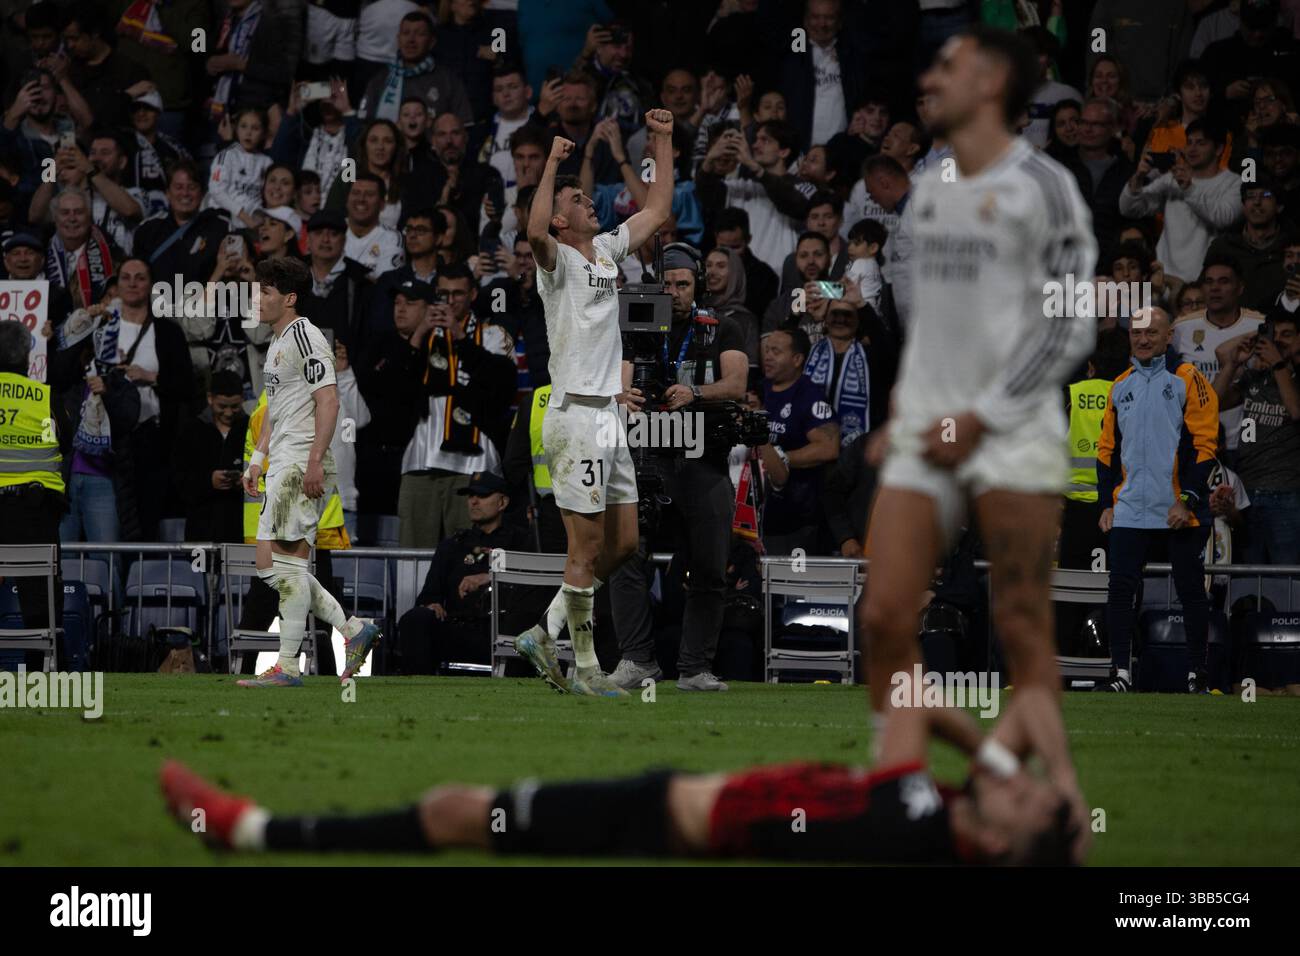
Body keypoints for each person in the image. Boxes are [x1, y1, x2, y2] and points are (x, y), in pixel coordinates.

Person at [859, 27, 1095, 863]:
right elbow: (935, 324)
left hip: (1015, 428)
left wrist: (982, 418)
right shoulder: (929, 189)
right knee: (884, 615)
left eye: (949, 67)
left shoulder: (1046, 186)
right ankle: (944, 776)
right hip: (930, 425)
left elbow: (1067, 324)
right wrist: (907, 406)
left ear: (992, 82)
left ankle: (1063, 799)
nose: (930, 78)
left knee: (1023, 627)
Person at [159, 686, 1083, 866]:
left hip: (656, 816)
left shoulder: (915, 818)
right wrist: (1030, 779)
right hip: (673, 809)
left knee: (451, 812)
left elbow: (916, 696)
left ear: (1001, 841)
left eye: (1020, 797)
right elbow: (1034, 705)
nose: (1014, 779)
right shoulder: (949, 822)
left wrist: (1022, 767)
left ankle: (250, 831)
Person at [511, 108, 677, 698]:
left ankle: (545, 630)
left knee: (624, 544)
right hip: (576, 416)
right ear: (561, 217)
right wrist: (552, 164)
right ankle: (585, 670)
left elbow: (658, 211)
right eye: (577, 199)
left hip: (608, 418)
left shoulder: (606, 250)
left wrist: (663, 140)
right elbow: (534, 232)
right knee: (583, 549)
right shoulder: (556, 262)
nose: (589, 203)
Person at [609, 243, 749, 692]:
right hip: (647, 454)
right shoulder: (637, 325)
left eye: (683, 284)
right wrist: (622, 396)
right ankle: (637, 660)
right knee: (625, 557)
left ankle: (694, 669)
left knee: (709, 566)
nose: (674, 292)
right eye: (667, 284)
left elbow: (738, 383)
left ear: (698, 285)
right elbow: (618, 382)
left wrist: (696, 393)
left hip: (703, 458)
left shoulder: (722, 327)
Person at [237, 257, 381, 688]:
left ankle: (288, 665)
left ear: (289, 298)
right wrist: (257, 459)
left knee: (282, 566)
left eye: (265, 291)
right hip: (282, 460)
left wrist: (316, 459)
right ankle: (353, 629)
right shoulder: (278, 341)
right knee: (274, 566)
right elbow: (275, 410)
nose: (257, 298)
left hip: (300, 460)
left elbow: (329, 400)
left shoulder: (305, 335)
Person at [1096, 307, 1219, 694]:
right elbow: (1106, 451)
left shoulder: (1189, 378)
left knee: (1190, 590)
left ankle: (1197, 675)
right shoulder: (1120, 385)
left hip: (1177, 509)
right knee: (1120, 589)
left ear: (1169, 337)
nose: (1143, 339)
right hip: (1131, 507)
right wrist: (1106, 504)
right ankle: (1120, 674)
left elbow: (1205, 446)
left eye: (1152, 332)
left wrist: (1187, 499)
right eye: (1136, 333)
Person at [397, 472, 532, 674]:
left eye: (483, 495)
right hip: (459, 628)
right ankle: (416, 687)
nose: (474, 502)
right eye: (471, 496)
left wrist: (490, 578)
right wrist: (432, 604)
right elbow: (429, 595)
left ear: (502, 502)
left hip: (504, 629)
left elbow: (534, 588)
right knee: (415, 618)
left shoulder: (522, 542)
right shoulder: (453, 545)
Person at [1210, 309, 1300, 565]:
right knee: (1247, 576)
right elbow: (1212, 404)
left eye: (1287, 335)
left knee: (1286, 576)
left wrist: (1278, 363)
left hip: (1287, 493)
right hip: (1247, 491)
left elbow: (1295, 411)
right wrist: (1233, 363)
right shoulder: (1254, 377)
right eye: (1274, 335)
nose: (1279, 341)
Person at [0, 321, 66, 650]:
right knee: (43, 610)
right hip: (34, 513)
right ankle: (45, 672)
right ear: (27, 356)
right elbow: (60, 440)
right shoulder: (43, 398)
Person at [757, 325, 840, 555]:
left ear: (797, 359)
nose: (768, 356)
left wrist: (778, 459)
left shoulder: (809, 395)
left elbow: (829, 447)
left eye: (776, 351)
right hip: (756, 515)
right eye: (767, 350)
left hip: (796, 518)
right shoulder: (758, 390)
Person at [172, 370, 248, 543]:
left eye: (235, 406)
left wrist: (246, 480)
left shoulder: (252, 429)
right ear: (209, 398)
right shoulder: (191, 431)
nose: (228, 413)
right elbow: (178, 479)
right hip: (201, 531)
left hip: (241, 531)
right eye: (222, 406)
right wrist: (209, 481)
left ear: (243, 399)